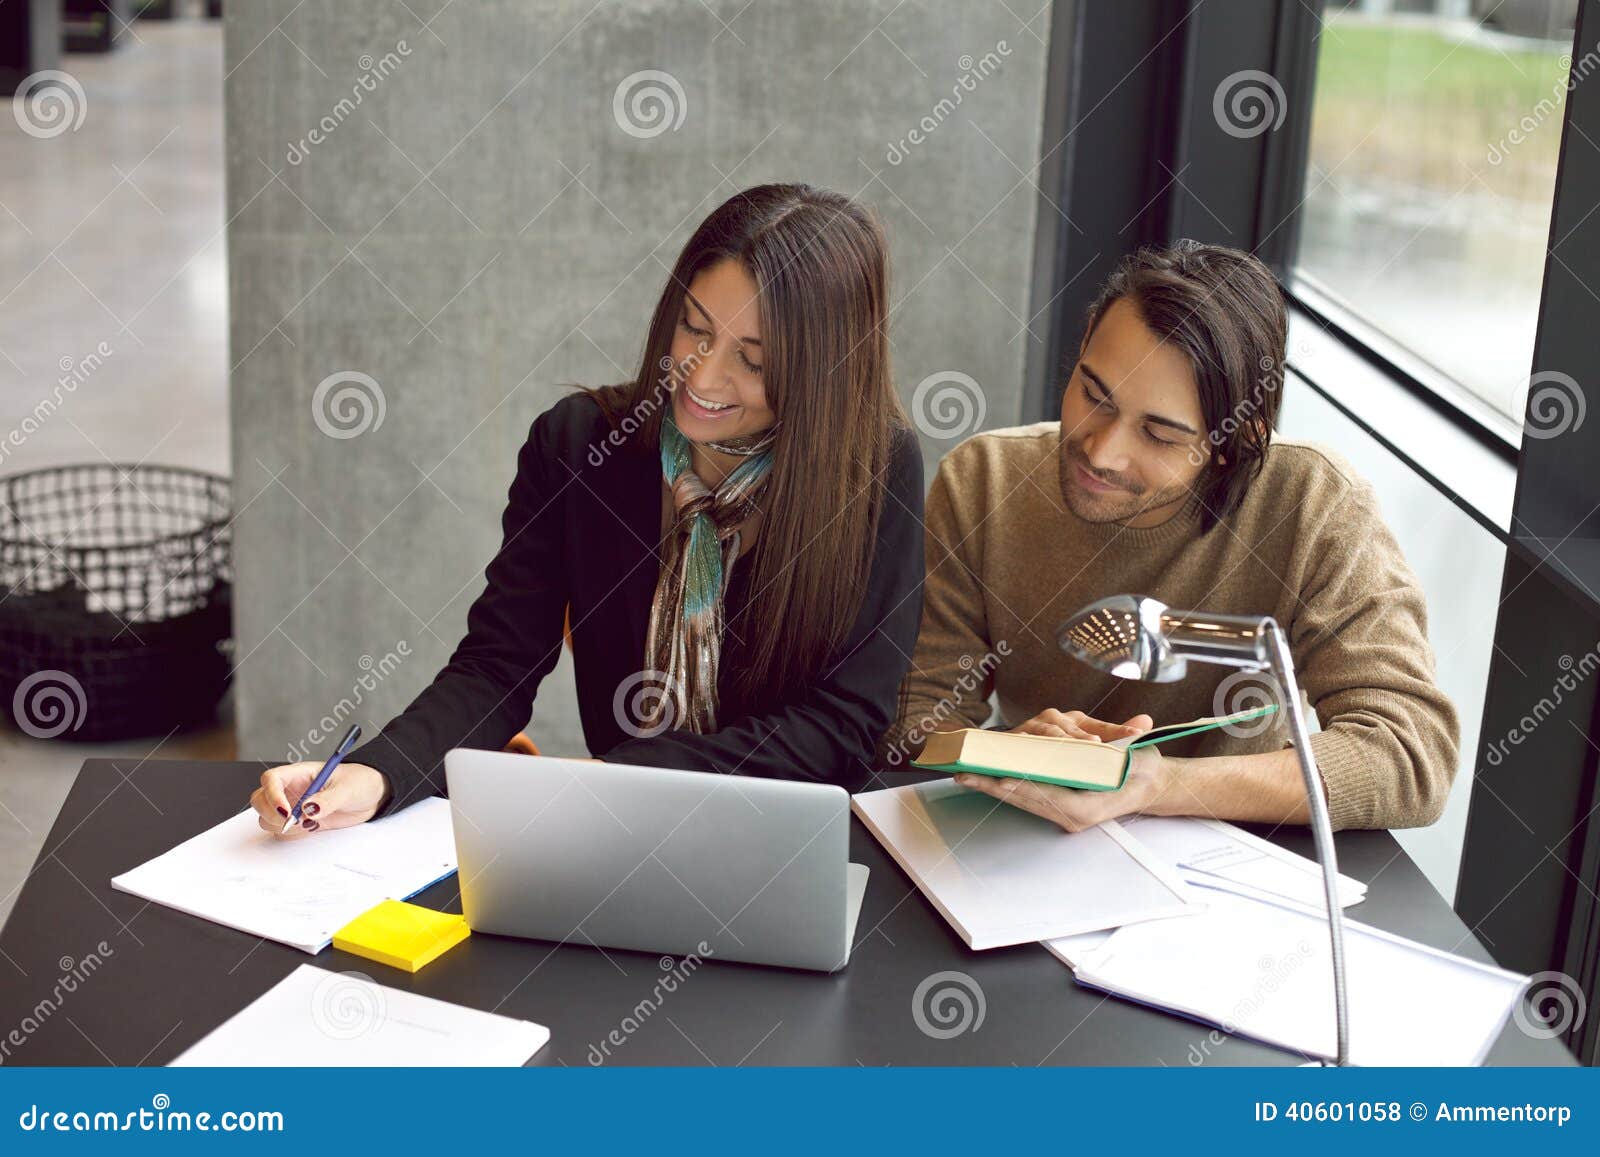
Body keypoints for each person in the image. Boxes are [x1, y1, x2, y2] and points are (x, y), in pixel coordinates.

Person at [248, 183, 925, 835]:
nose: (703, 374)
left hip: (789, 843)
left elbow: (843, 725)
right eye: (694, 328)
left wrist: (619, 777)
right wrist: (377, 773)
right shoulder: (579, 448)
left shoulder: (874, 470)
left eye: (752, 361)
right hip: (616, 839)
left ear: (821, 372)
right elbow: (497, 666)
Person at [885, 241, 1458, 832]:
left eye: (1159, 434)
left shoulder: (1314, 502)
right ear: (1081, 349)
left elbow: (1410, 756)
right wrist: (1010, 752)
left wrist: (1154, 785)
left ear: (1233, 440)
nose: (1102, 452)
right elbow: (912, 716)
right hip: (1035, 838)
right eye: (1094, 396)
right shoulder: (984, 481)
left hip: (1237, 851)